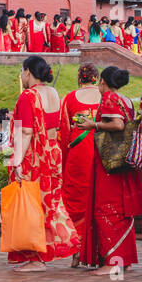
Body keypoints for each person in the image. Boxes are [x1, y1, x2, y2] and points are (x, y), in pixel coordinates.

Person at [72, 67, 142, 274]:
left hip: (109, 162)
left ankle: (112, 263)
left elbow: (118, 124)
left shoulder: (109, 98)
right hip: (123, 160)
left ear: (103, 82)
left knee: (106, 209)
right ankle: (123, 260)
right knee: (120, 210)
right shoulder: (125, 99)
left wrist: (92, 125)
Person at [7, 56, 78, 271]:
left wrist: (17, 160)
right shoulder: (53, 93)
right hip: (52, 153)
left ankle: (36, 258)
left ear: (28, 72)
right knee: (51, 204)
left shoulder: (27, 96)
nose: (21, 75)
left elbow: (26, 131)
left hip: (34, 157)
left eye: (22, 71)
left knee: (31, 206)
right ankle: (60, 247)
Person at [59, 64, 103, 256]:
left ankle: (78, 249)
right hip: (101, 150)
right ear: (97, 78)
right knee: (100, 197)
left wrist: (64, 161)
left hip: (78, 154)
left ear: (80, 78)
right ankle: (99, 248)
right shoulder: (105, 98)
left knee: (76, 199)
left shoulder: (69, 99)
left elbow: (64, 132)